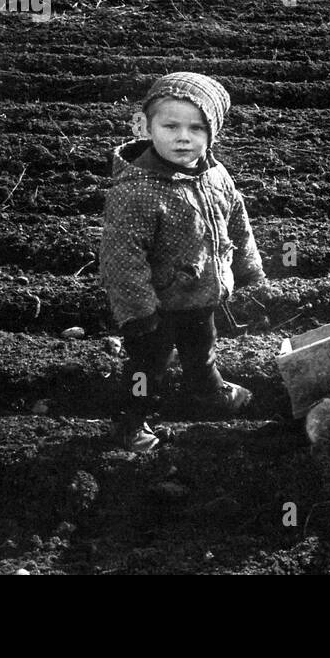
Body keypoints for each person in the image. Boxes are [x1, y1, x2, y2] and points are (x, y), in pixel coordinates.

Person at [100, 71, 265, 452]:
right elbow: (122, 257)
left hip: (201, 293)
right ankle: (128, 424)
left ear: (212, 133)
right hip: (156, 307)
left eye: (196, 128)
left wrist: (248, 266)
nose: (182, 137)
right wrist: (140, 313)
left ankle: (207, 392)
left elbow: (237, 221)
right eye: (170, 125)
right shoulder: (136, 192)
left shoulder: (215, 175)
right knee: (148, 368)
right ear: (148, 126)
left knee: (202, 349)